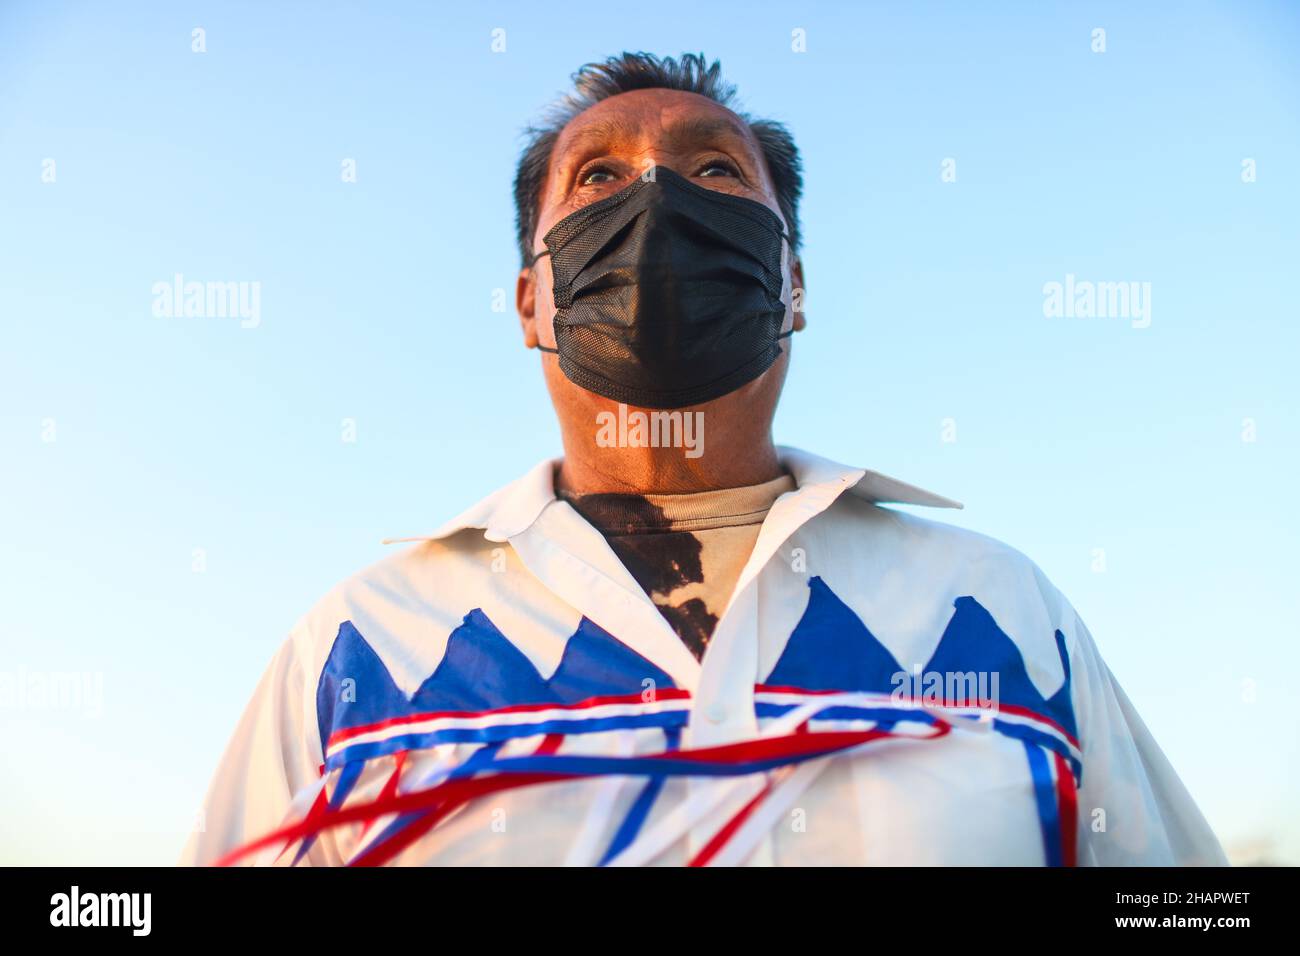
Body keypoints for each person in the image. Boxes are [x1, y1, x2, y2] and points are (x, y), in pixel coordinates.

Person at [182, 52, 1225, 867]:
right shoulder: (359, 649)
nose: (656, 201)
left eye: (714, 168)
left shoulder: (1001, 611)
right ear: (529, 299)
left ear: (795, 281)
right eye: (596, 177)